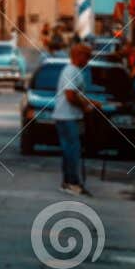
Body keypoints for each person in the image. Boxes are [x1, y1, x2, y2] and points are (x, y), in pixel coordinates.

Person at [53, 43, 96, 195]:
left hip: (66, 115)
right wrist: (85, 107)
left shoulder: (73, 71)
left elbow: (76, 94)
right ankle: (72, 182)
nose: (88, 59)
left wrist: (90, 103)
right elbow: (70, 96)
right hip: (68, 116)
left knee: (68, 150)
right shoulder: (72, 71)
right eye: (87, 56)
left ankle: (67, 181)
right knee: (73, 150)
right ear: (78, 56)